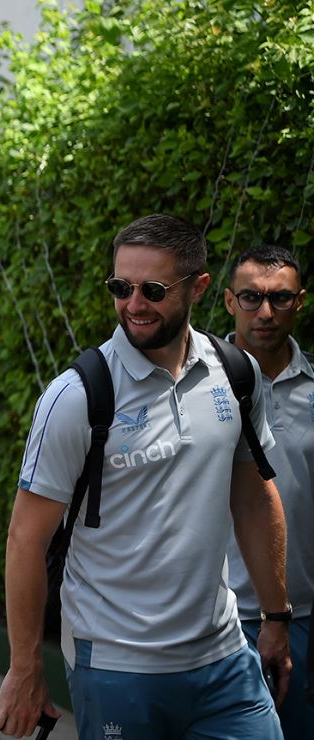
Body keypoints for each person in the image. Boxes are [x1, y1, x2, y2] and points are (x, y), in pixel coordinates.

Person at [0, 214, 290, 740]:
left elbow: (253, 498)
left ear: (198, 287)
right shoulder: (77, 396)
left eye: (153, 290)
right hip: (116, 664)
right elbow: (25, 539)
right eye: (121, 287)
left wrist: (275, 617)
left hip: (225, 659)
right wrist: (24, 669)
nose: (134, 304)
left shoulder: (236, 373)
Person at [222, 244, 314, 738]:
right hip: (216, 620)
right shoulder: (193, 386)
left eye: (279, 298)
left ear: (299, 302)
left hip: (305, 617)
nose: (265, 312)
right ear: (229, 301)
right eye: (251, 297)